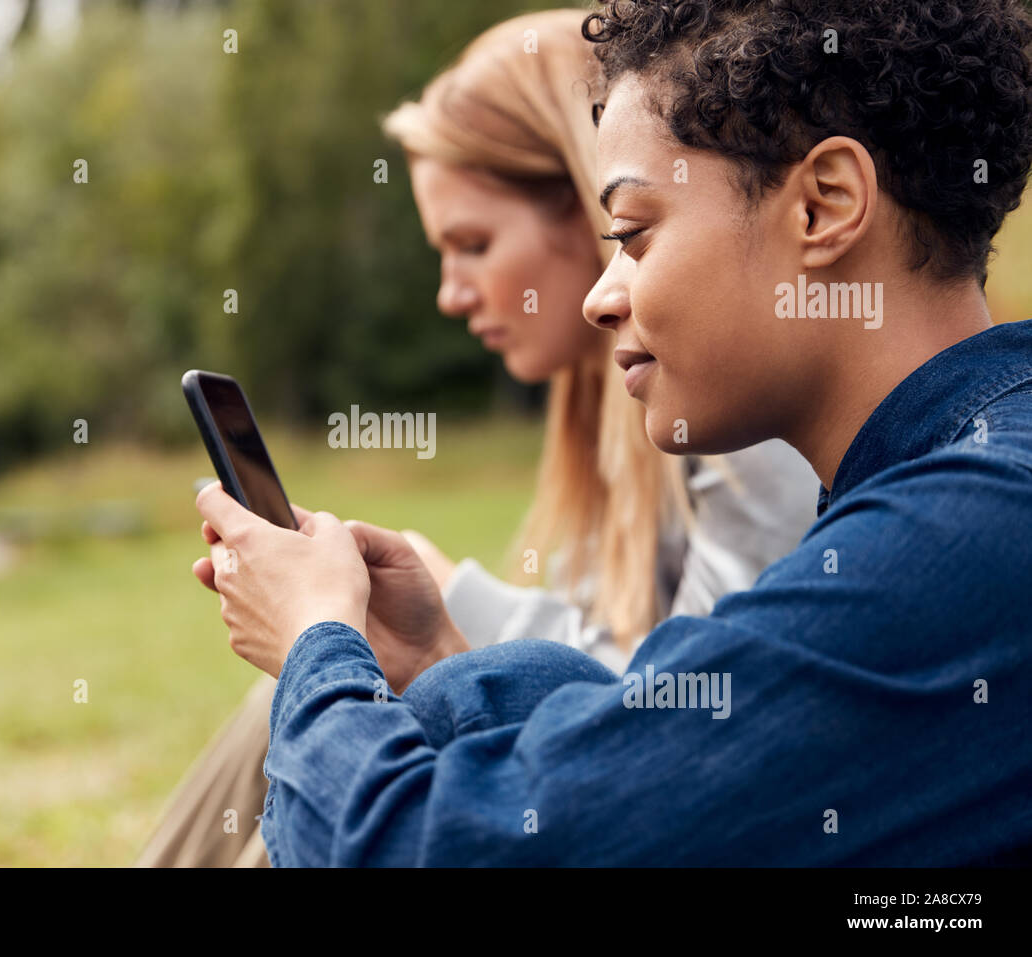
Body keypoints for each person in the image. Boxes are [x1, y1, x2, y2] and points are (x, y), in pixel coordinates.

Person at [192, 0, 1032, 865]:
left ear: (822, 206)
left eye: (632, 234)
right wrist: (440, 657)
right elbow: (685, 767)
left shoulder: (952, 540)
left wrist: (313, 641)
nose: (601, 296)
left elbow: (418, 847)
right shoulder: (965, 489)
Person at [138, 9, 816, 867]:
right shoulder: (600, 421)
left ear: (586, 212)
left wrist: (454, 601)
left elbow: (679, 703)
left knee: (332, 725)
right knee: (299, 700)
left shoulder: (742, 394)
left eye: (473, 244)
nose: (450, 295)